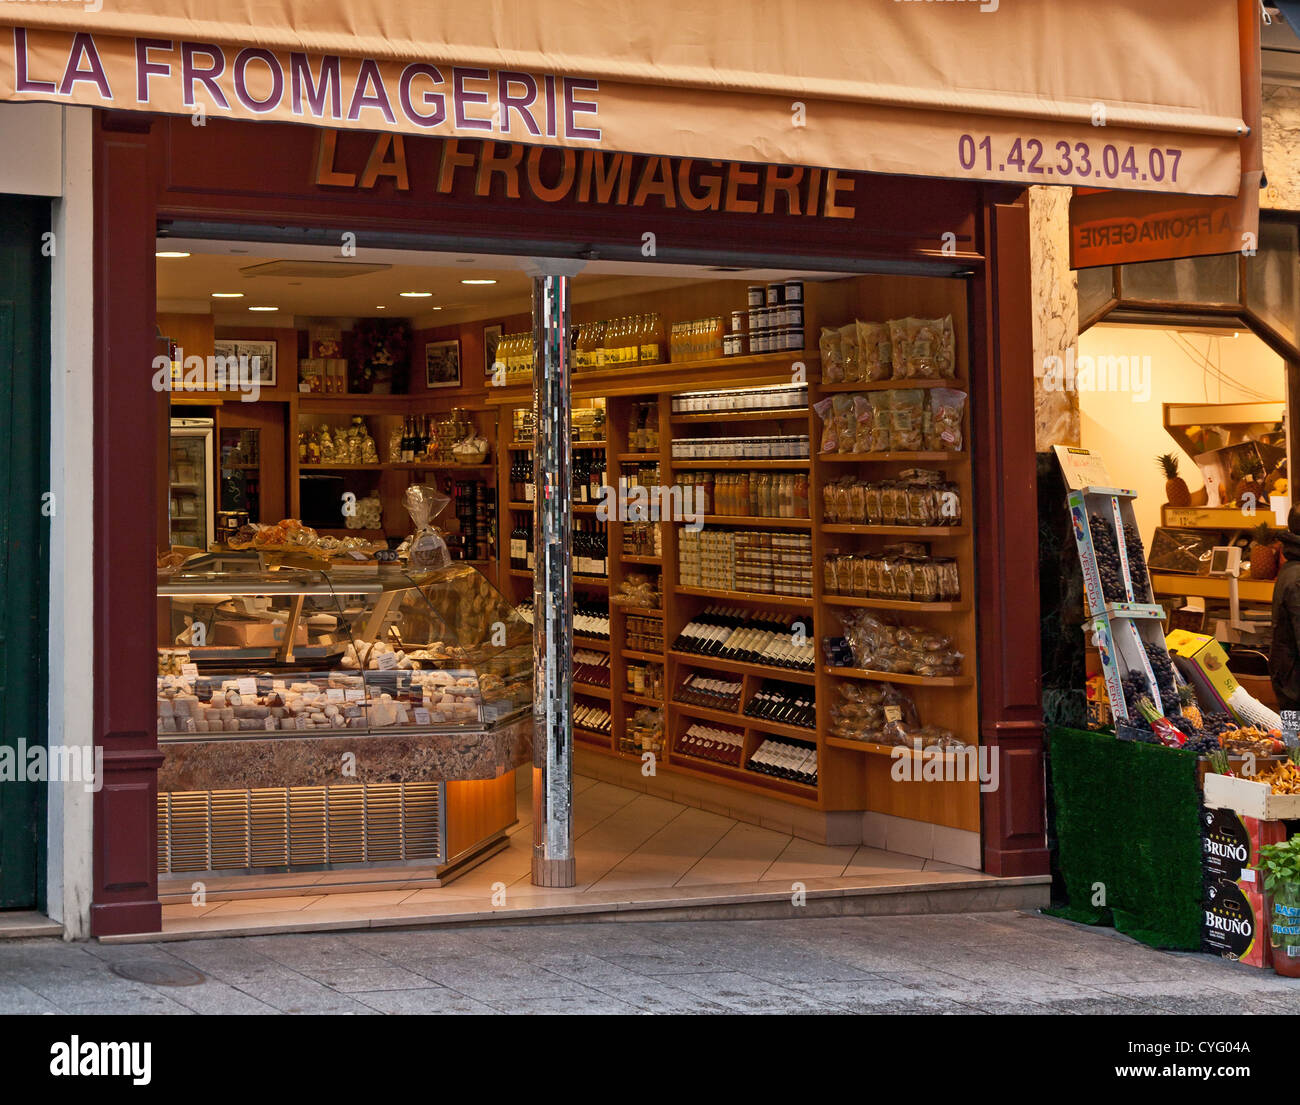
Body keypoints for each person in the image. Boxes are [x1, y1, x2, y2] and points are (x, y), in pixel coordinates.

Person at [1268, 505, 1300, 713]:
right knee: (1293, 742)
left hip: (1287, 680)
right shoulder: (1297, 578)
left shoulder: (1291, 568)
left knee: (1291, 740)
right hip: (1295, 687)